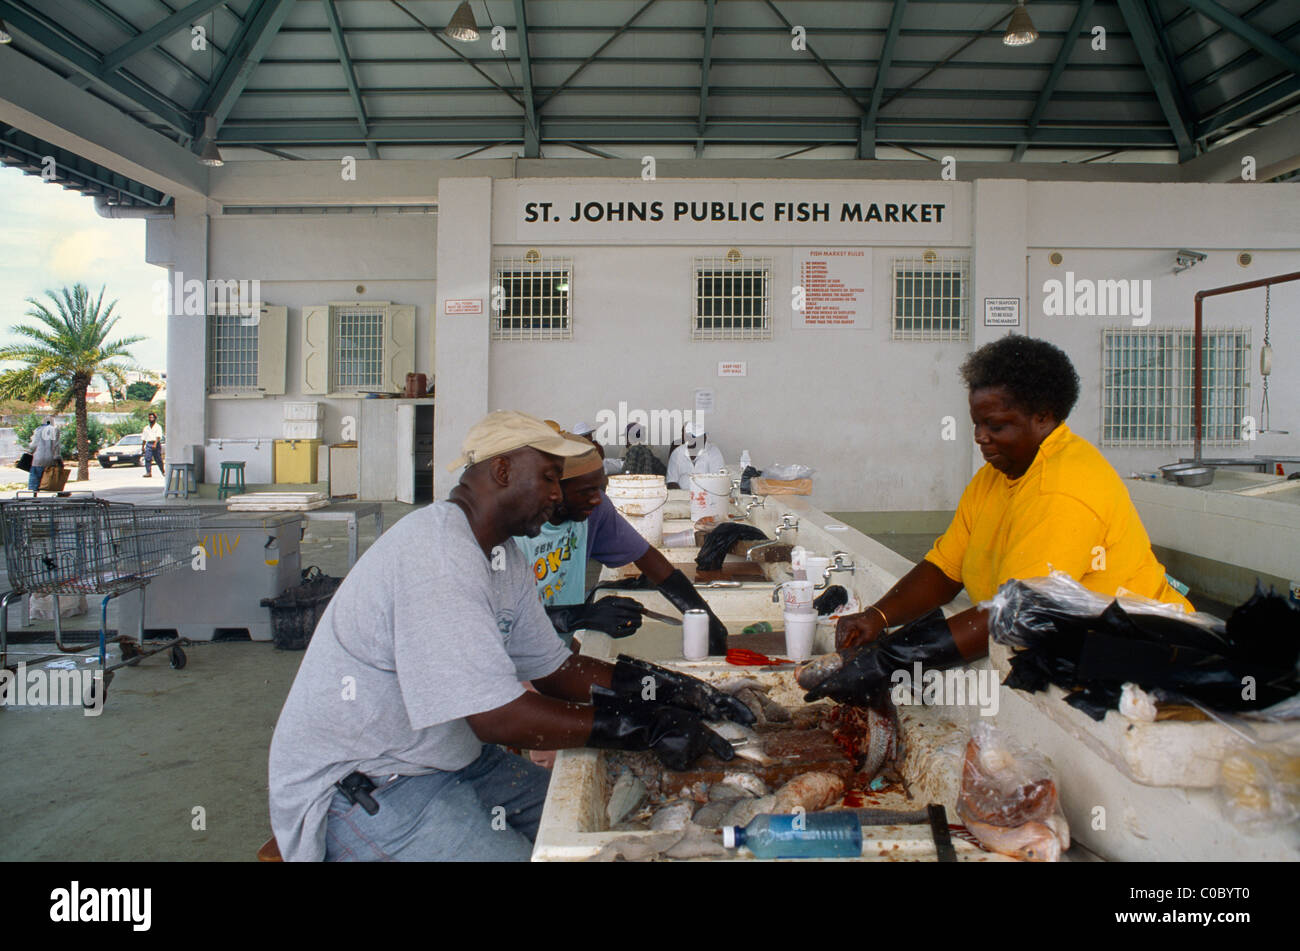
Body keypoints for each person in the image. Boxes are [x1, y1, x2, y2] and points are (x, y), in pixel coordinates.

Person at [268, 410, 749, 861]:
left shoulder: (503, 557)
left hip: (454, 760)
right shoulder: (437, 555)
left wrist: (670, 692)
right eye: (547, 478)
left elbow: (557, 670)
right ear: (501, 470)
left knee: (597, 823)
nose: (558, 495)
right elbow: (496, 717)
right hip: (371, 784)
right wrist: (639, 727)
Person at [808, 336, 1193, 705]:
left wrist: (888, 660)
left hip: (1148, 656)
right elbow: (945, 569)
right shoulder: (993, 478)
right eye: (977, 424)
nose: (980, 438)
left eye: (996, 426)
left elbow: (1016, 613)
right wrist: (878, 616)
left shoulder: (1062, 488)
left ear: (1042, 418)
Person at [513, 434, 730, 653]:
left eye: (599, 488)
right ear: (554, 490)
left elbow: (645, 555)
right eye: (585, 491)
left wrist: (700, 612)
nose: (596, 499)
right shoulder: (512, 532)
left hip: (555, 649)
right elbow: (501, 618)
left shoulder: (593, 511)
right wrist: (579, 615)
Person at [666, 421, 725, 489]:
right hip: (682, 496)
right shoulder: (677, 453)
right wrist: (681, 495)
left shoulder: (713, 452)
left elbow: (719, 481)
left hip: (707, 496)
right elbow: (671, 481)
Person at [27, 417, 60, 492]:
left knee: (36, 478)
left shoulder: (38, 430)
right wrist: (57, 457)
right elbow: (56, 445)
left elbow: (33, 445)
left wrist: (30, 451)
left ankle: (35, 494)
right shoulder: (55, 430)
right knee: (50, 476)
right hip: (50, 458)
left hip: (38, 458)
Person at [140, 411, 164, 478]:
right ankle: (148, 472)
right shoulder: (146, 428)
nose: (151, 419)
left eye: (152, 417)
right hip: (149, 444)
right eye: (150, 417)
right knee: (147, 458)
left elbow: (158, 437)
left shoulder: (158, 427)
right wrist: (142, 446)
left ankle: (163, 471)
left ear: (155, 418)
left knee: (158, 459)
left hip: (156, 443)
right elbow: (144, 438)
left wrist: (155, 444)